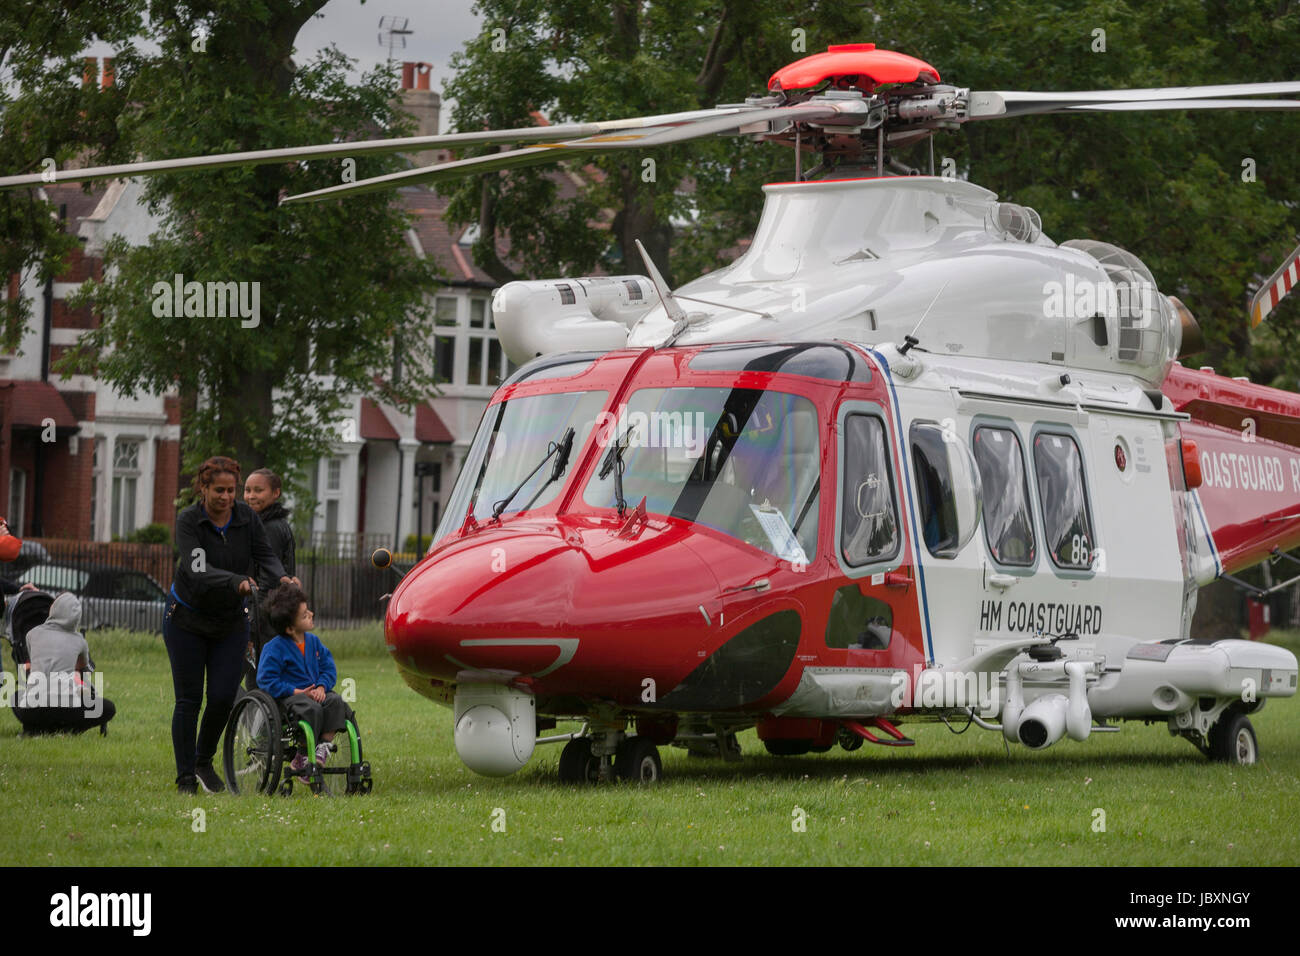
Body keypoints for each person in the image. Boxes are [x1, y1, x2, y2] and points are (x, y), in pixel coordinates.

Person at [165, 456, 298, 795]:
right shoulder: (189, 521)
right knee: (189, 700)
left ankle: (202, 760)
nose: (226, 497)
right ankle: (184, 779)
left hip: (229, 622)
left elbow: (265, 553)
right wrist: (236, 581)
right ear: (203, 488)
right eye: (218, 490)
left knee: (224, 697)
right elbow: (197, 569)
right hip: (187, 619)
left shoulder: (246, 518)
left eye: (231, 490)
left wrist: (281, 576)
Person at [257, 584, 352, 780]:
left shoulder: (314, 642)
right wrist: (297, 691)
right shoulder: (273, 648)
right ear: (290, 628)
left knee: (337, 702)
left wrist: (321, 686)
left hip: (316, 693)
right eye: (304, 615)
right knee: (311, 709)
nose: (311, 614)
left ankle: (322, 748)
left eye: (308, 610)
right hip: (290, 698)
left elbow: (328, 668)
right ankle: (302, 754)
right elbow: (266, 679)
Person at [13, 593, 116, 735]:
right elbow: (81, 668)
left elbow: (35, 661)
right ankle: (70, 729)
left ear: (53, 609)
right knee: (108, 708)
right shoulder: (79, 641)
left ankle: (36, 728)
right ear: (77, 617)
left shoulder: (32, 634)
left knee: (16, 697)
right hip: (66, 708)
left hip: (32, 709)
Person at [243, 469, 296, 686]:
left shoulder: (270, 528)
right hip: (269, 613)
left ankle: (259, 718)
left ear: (276, 493)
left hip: (265, 616)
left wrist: (252, 620)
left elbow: (269, 578)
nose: (251, 496)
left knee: (256, 677)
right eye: (247, 490)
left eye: (258, 490)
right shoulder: (261, 524)